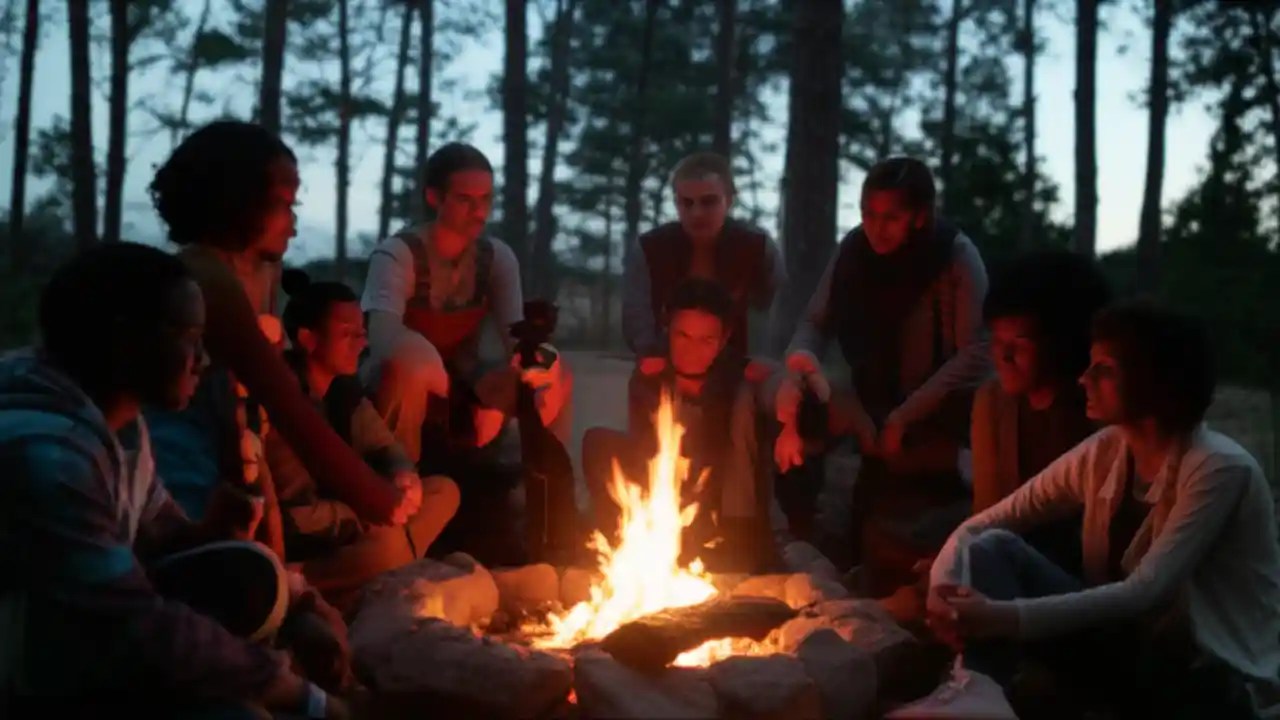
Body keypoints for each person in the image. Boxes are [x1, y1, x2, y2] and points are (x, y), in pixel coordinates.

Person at [0, 242, 349, 718]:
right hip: (24, 663)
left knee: (250, 573)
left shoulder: (119, 419)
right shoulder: (48, 450)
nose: (202, 359)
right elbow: (134, 621)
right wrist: (298, 694)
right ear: (125, 338)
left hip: (75, 625)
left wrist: (223, 541)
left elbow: (163, 535)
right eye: (190, 336)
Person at [905, 303, 1280, 719]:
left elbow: (1144, 592)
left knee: (1200, 688)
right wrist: (947, 592)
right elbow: (987, 522)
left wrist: (1000, 617)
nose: (1084, 379)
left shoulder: (1219, 468)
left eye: (1103, 369)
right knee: (994, 546)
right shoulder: (1107, 451)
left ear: (1152, 380)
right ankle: (979, 688)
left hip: (1201, 667)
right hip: (1120, 646)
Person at [145, 121, 423, 550]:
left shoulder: (256, 275)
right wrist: (373, 496)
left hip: (230, 480)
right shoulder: (205, 277)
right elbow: (286, 404)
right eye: (283, 205)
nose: (292, 224)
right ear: (237, 202)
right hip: (177, 485)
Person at [773, 157, 990, 590]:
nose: (876, 227)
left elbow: (973, 354)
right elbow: (815, 322)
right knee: (802, 412)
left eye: (891, 217)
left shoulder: (954, 257)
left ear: (920, 216)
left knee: (889, 523)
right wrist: (801, 358)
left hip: (936, 406)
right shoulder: (854, 250)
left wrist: (907, 414)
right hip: (873, 396)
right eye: (868, 214)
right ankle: (799, 535)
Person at [267, 270, 461, 610]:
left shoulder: (342, 390)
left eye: (362, 332)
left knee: (444, 491)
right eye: (347, 334)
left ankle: (364, 582)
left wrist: (404, 477)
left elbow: (383, 445)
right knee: (387, 546)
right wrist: (366, 511)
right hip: (313, 537)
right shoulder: (284, 399)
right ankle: (306, 582)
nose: (362, 343)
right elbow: (293, 514)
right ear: (307, 339)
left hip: (359, 519)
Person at [583, 279, 773, 572]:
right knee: (598, 443)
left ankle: (728, 549)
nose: (692, 350)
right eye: (682, 336)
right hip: (664, 502)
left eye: (706, 340)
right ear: (667, 330)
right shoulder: (651, 377)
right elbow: (646, 454)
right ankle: (620, 547)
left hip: (721, 512)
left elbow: (736, 464)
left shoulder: (739, 384)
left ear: (724, 340)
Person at [622, 152, 785, 365]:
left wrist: (757, 362)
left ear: (729, 200)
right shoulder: (650, 249)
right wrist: (653, 356)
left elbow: (774, 309)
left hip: (739, 366)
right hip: (665, 363)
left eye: (708, 202)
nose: (696, 213)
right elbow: (637, 315)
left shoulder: (758, 248)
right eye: (686, 203)